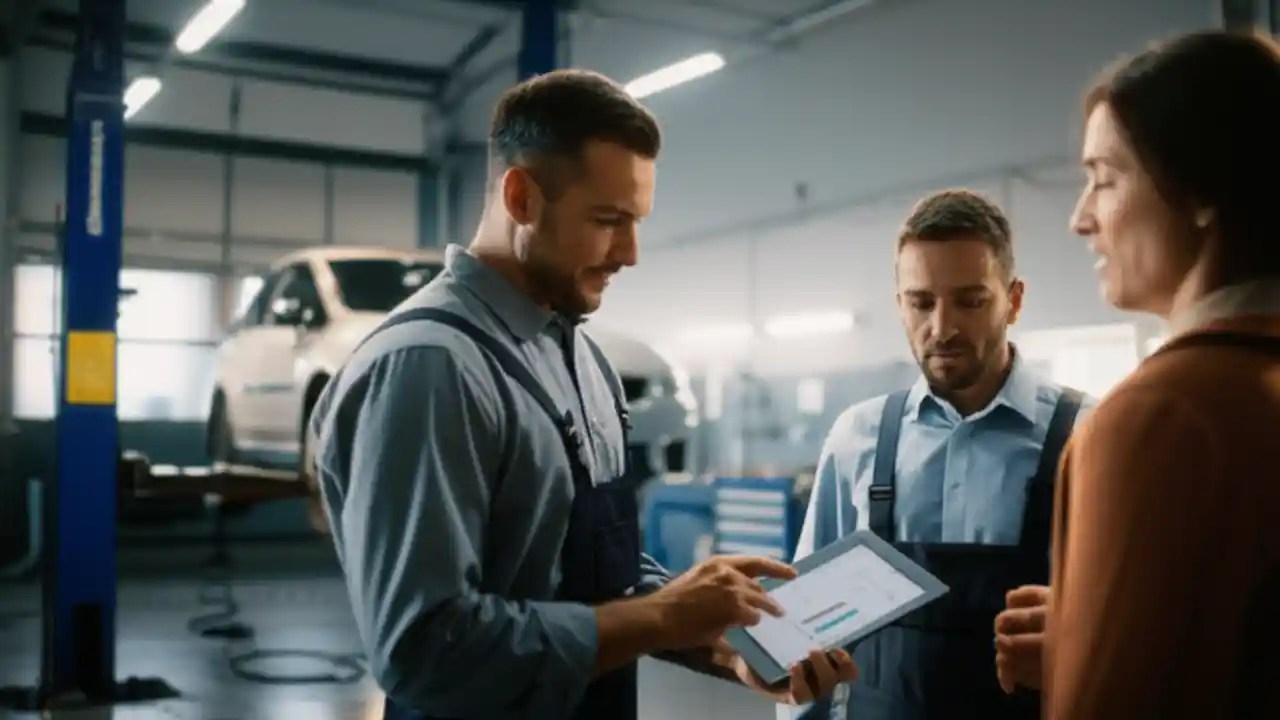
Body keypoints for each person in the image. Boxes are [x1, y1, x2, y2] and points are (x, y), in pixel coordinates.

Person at [307, 68, 857, 720]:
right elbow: (424, 649)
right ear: (521, 197)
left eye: (637, 222)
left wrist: (723, 644)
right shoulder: (429, 369)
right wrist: (662, 614)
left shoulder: (584, 359)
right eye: (608, 220)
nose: (630, 253)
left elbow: (596, 580)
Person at [994, 30, 1280, 719]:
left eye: (1105, 178)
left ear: (1201, 188)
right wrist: (1100, 632)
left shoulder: (1159, 417)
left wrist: (1084, 666)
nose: (1080, 219)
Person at [787, 189, 1093, 720]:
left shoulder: (1086, 438)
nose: (942, 328)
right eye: (921, 302)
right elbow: (806, 636)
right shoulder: (857, 439)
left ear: (1014, 300)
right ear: (899, 304)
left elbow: (1128, 632)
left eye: (970, 302)